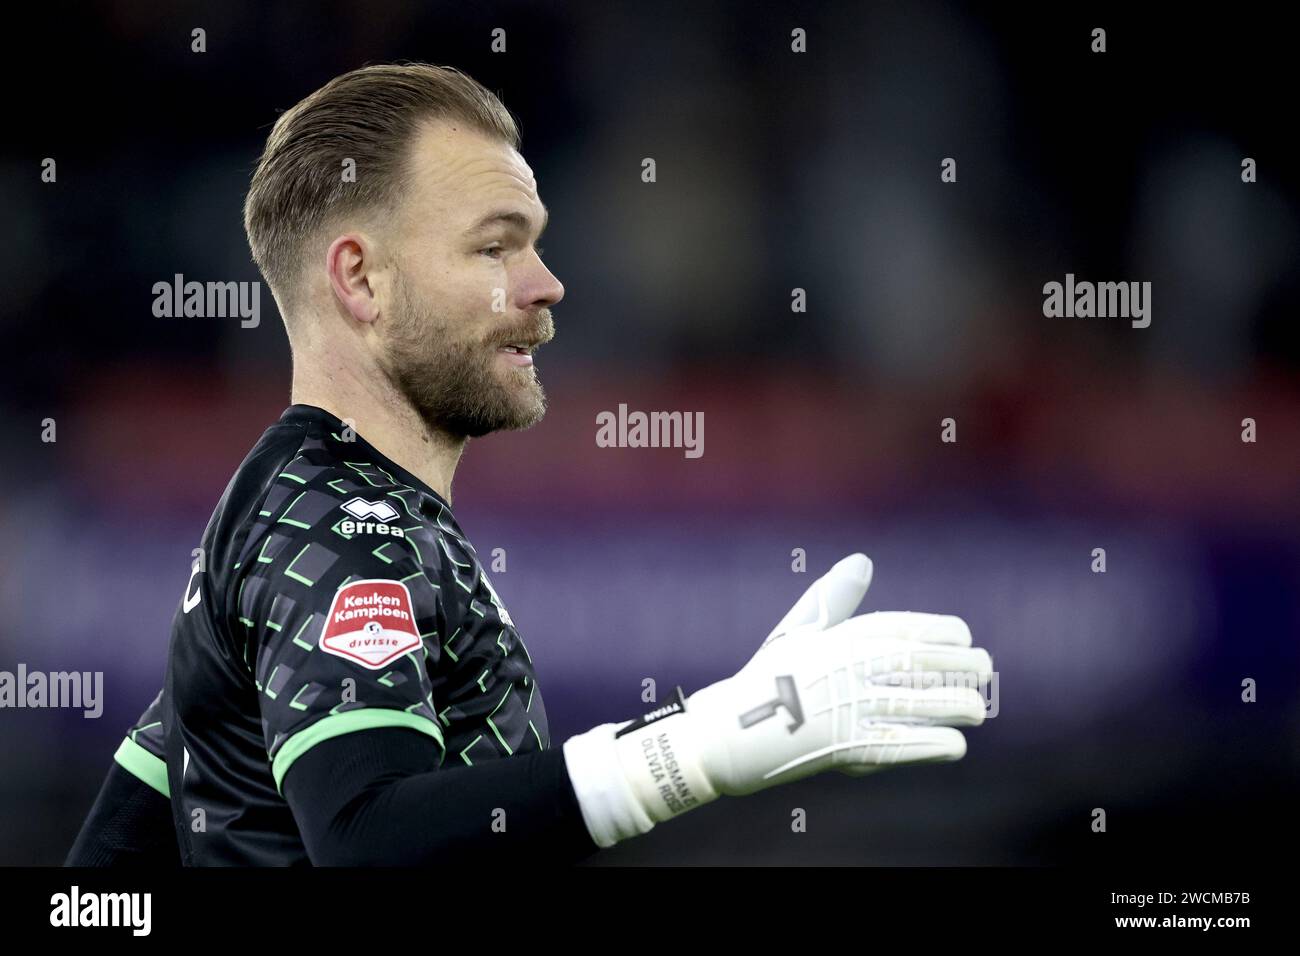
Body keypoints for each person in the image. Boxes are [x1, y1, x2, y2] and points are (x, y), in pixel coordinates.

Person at [67, 62, 993, 867]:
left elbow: (100, 890)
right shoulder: (338, 520)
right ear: (360, 279)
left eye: (536, 243)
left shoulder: (309, 512)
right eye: (495, 245)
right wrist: (695, 748)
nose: (547, 283)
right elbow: (364, 835)